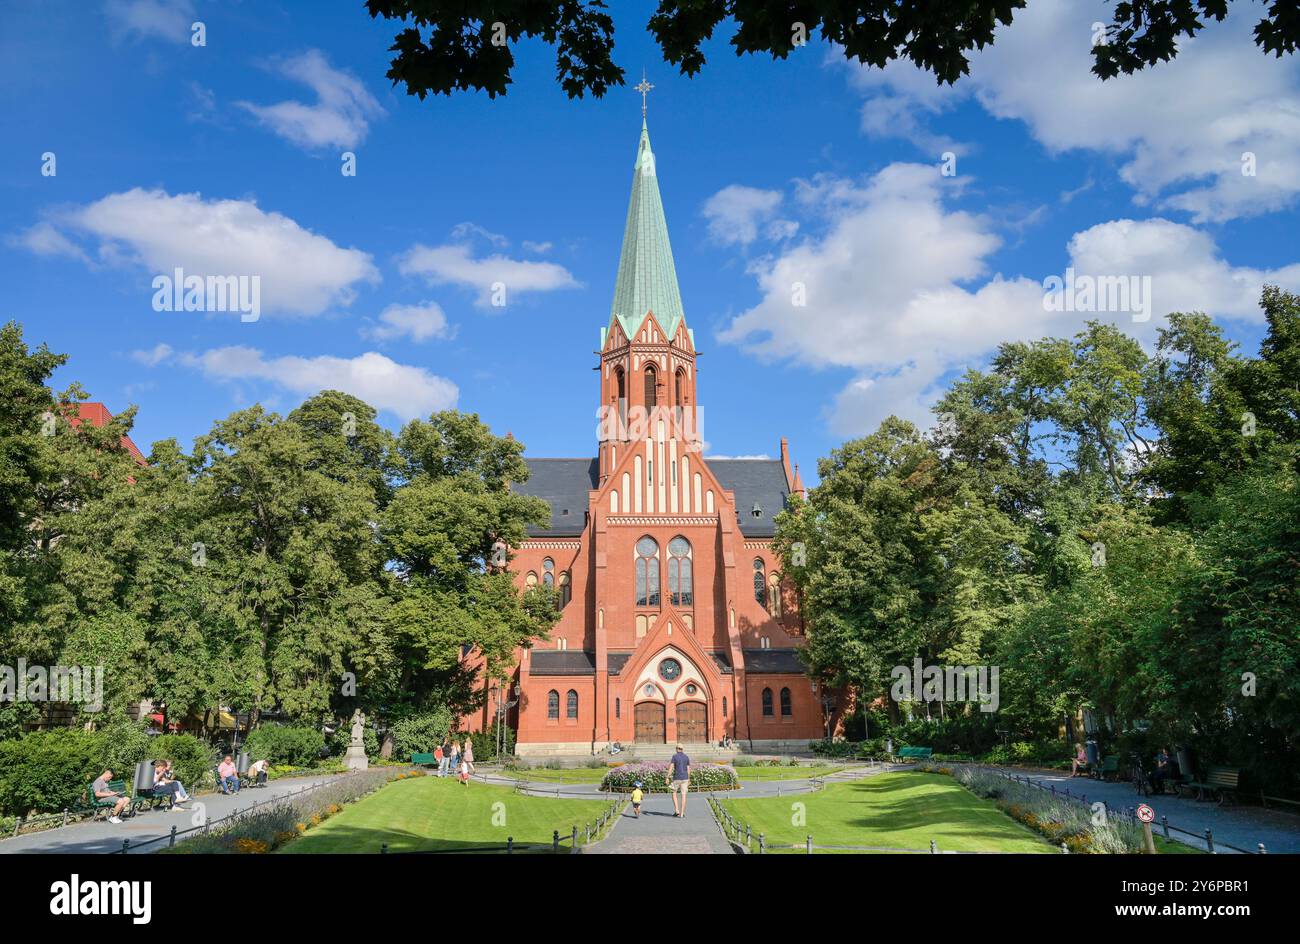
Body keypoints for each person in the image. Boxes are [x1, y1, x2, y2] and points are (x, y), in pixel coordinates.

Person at [667, 743, 691, 818]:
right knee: (683, 795)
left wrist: (667, 777)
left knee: (674, 792)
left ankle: (677, 810)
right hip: (685, 778)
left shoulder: (674, 756)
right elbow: (688, 769)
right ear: (682, 749)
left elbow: (671, 767)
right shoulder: (686, 757)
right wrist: (689, 778)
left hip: (677, 777)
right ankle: (682, 813)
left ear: (677, 749)